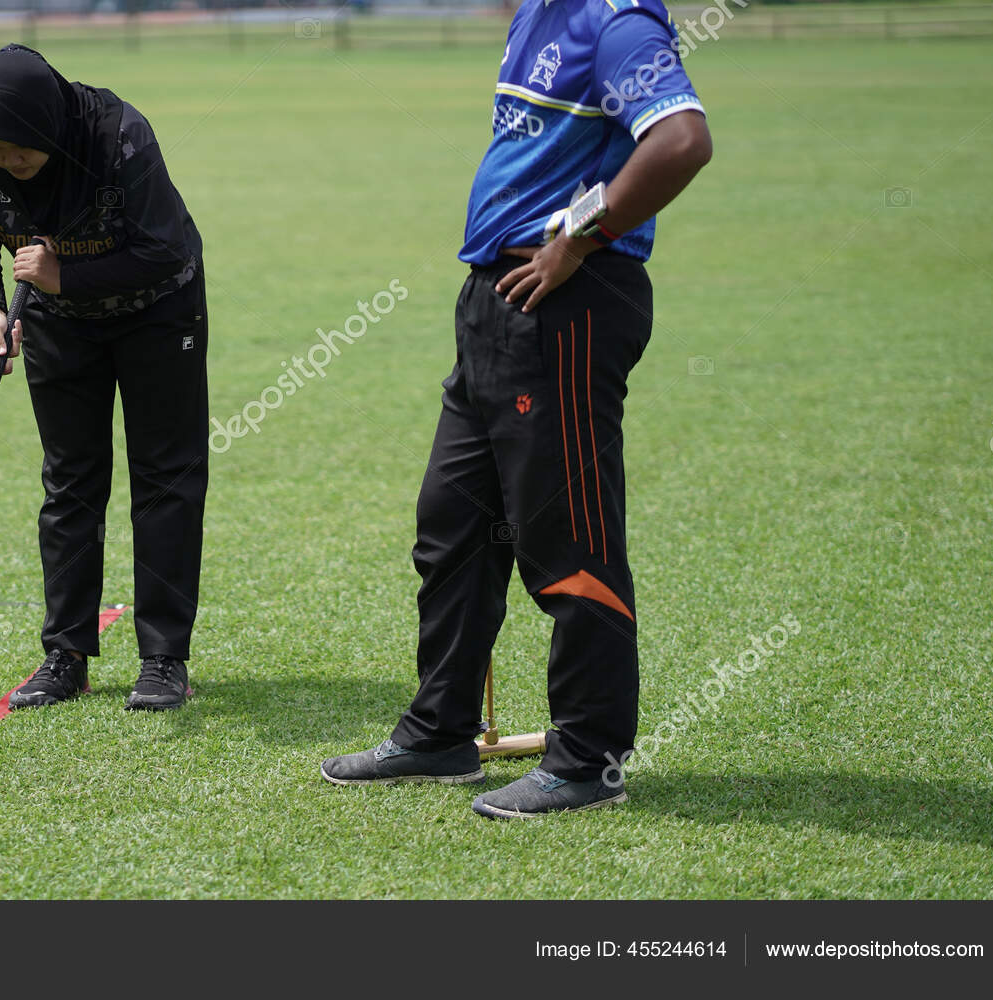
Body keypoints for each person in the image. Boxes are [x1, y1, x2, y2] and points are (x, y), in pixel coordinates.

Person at [321, 0, 712, 817]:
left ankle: (588, 761)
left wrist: (577, 236)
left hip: (567, 304)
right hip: (496, 302)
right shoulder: (535, 13)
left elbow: (680, 142)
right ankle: (440, 734)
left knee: (568, 539)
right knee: (454, 530)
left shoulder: (616, 21)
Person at [0, 45, 207, 711]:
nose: (13, 162)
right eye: (0, 152)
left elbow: (165, 248)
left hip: (158, 310)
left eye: (24, 150)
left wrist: (65, 275)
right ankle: (65, 655)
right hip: (59, 323)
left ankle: (164, 659)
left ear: (51, 125)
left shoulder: (119, 135)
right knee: (70, 482)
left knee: (165, 478)